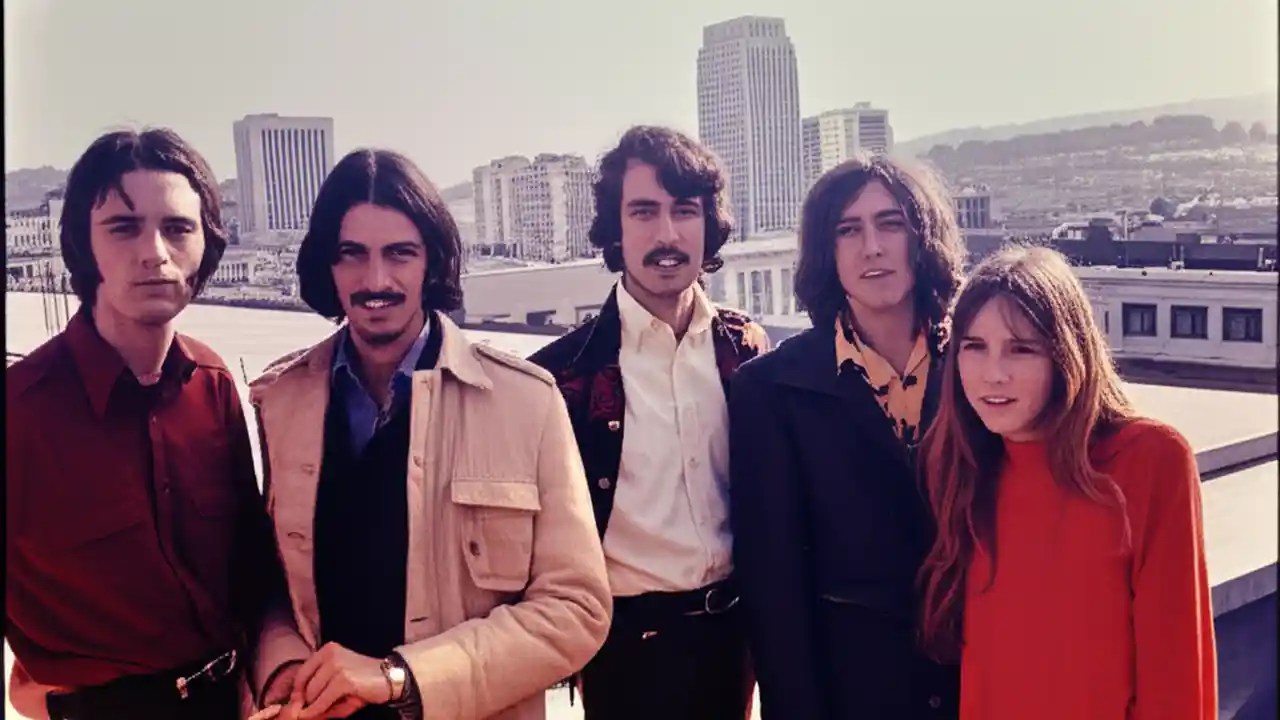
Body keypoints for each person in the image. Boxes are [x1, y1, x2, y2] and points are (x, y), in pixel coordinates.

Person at [248, 148, 611, 720]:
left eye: (400, 254)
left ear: (432, 262)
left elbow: (575, 608)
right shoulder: (282, 403)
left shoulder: (525, 401)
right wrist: (287, 672)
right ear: (328, 266)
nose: (376, 280)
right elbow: (271, 584)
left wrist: (398, 677)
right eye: (352, 255)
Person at [5, 128, 271, 719]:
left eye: (178, 228)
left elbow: (249, 560)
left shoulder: (212, 382)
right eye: (124, 228)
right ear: (83, 243)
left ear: (208, 244)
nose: (154, 252)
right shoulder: (19, 410)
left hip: (230, 701)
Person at [529, 125, 770, 720]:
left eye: (684, 211)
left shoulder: (745, 351)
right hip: (624, 652)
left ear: (708, 223)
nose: (666, 234)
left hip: (737, 640)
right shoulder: (561, 377)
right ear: (615, 228)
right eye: (643, 211)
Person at [917, 246, 1217, 719]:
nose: (993, 374)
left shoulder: (1148, 460)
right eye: (974, 347)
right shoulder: (962, 467)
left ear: (1066, 353)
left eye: (1021, 348)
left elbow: (1176, 673)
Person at [729, 155, 966, 718]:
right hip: (853, 695)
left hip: (979, 683)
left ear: (922, 237)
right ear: (825, 250)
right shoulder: (771, 389)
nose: (872, 246)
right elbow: (774, 592)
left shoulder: (976, 366)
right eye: (848, 229)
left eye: (891, 223)